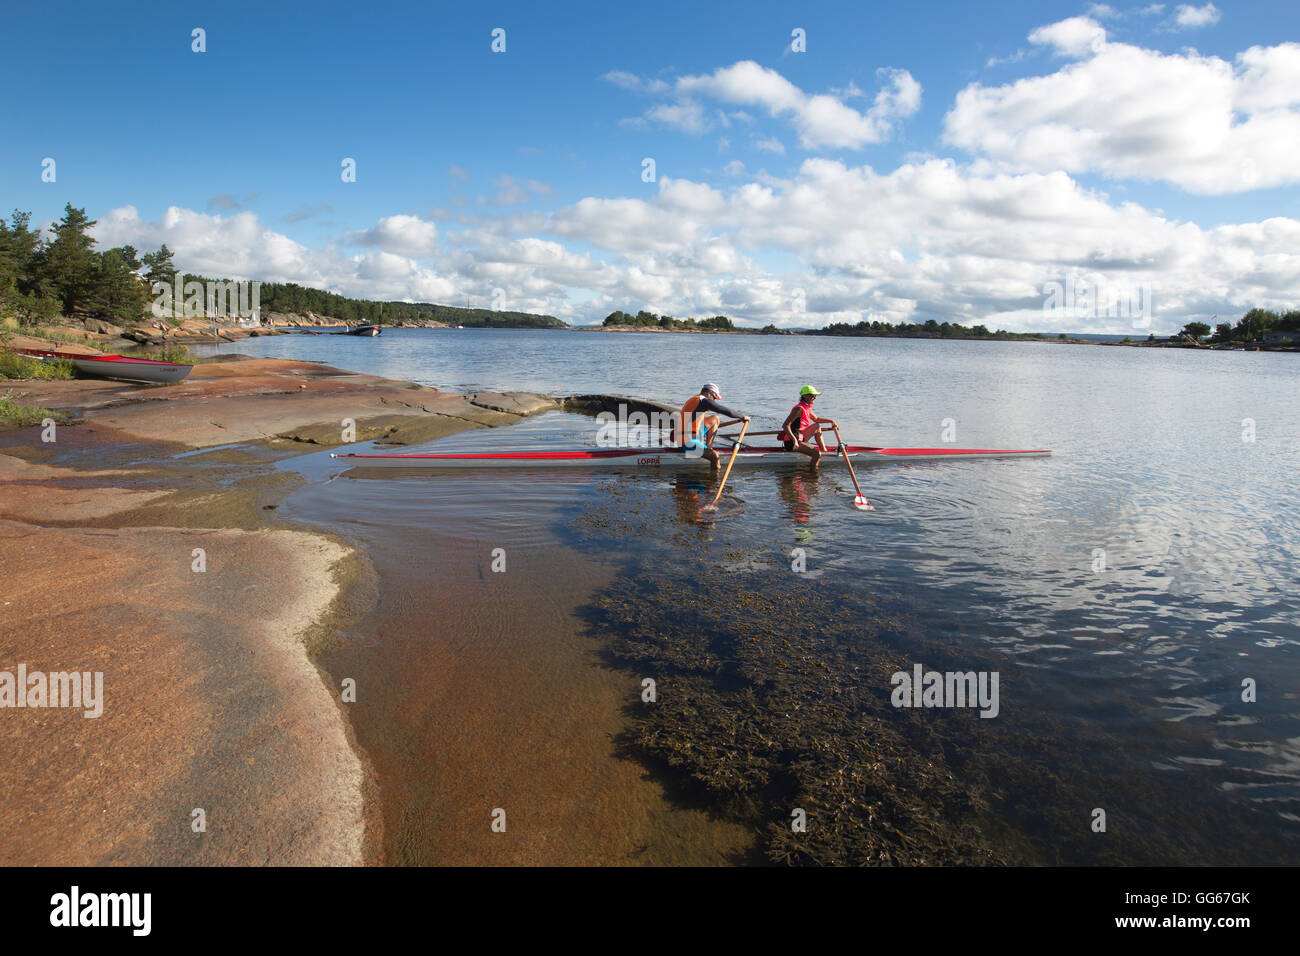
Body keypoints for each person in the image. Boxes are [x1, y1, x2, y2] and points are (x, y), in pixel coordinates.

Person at [678, 383, 750, 468]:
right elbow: (722, 410)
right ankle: (713, 479)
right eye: (714, 398)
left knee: (715, 419)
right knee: (715, 456)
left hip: (691, 434)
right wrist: (742, 416)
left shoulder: (695, 399)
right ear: (709, 393)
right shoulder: (703, 401)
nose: (714, 401)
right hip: (686, 441)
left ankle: (708, 447)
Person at [778, 385, 835, 468]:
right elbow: (785, 425)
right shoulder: (799, 409)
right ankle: (813, 475)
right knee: (816, 454)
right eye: (813, 396)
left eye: (815, 396)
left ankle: (824, 451)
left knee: (817, 426)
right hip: (792, 441)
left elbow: (816, 419)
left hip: (800, 436)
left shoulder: (807, 407)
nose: (815, 398)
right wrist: (795, 441)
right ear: (805, 396)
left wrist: (832, 421)